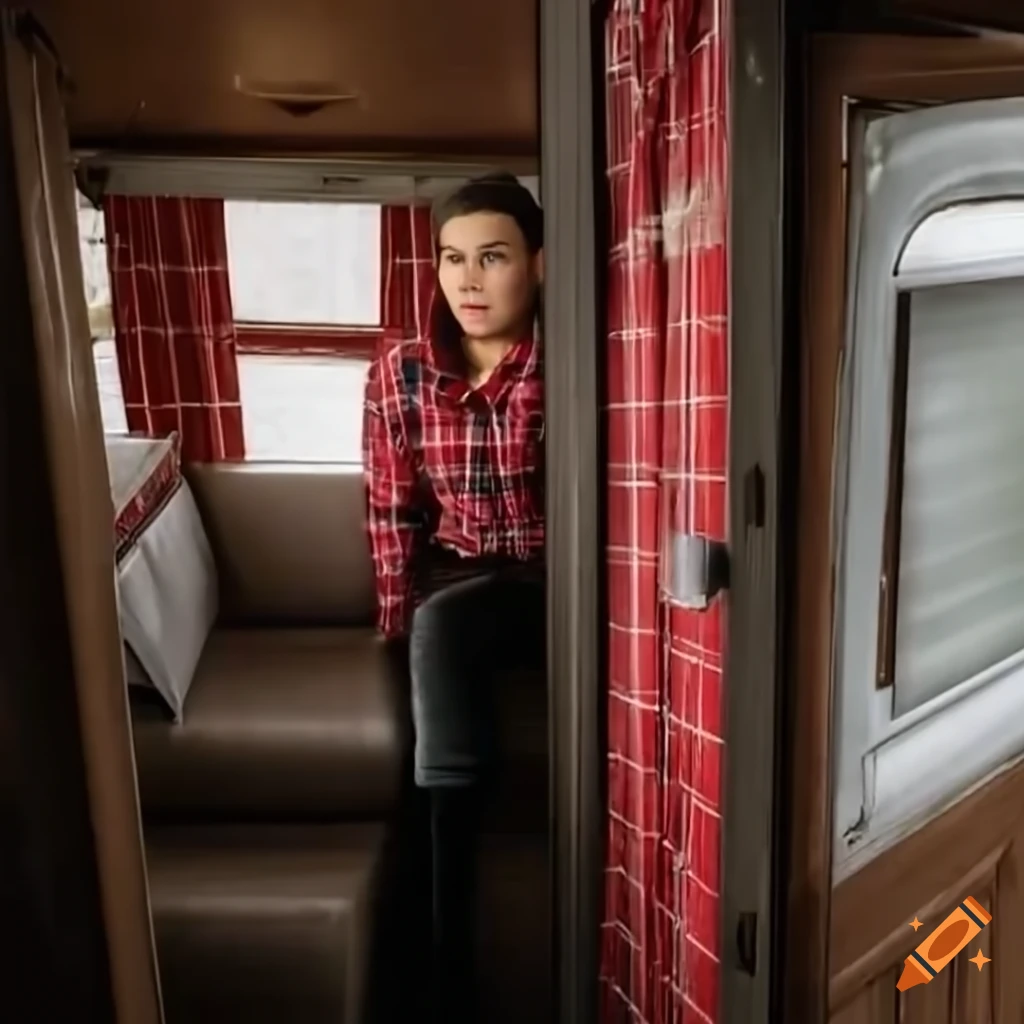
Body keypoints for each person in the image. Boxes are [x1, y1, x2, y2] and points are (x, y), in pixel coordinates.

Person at [361, 171, 545, 1022]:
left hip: (560, 585)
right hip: (458, 577)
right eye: (452, 260)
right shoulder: (400, 371)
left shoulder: (576, 356)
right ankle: (436, 978)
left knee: (449, 627)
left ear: (538, 266)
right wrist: (395, 622)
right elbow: (390, 505)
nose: (468, 280)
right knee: (436, 631)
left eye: (493, 258)